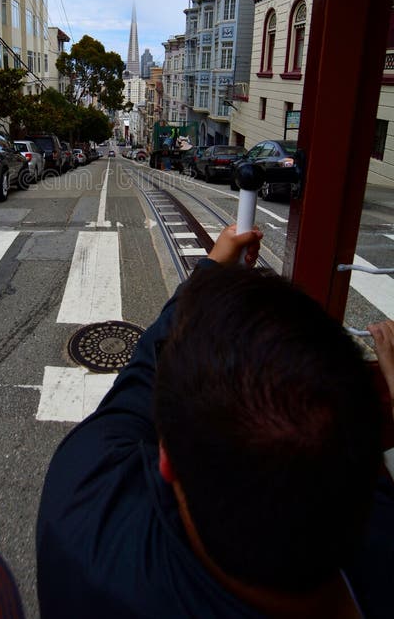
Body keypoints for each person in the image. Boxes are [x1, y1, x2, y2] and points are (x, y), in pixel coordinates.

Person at [37, 225, 394, 618]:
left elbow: (140, 378)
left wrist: (208, 271)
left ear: (166, 458)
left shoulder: (84, 504)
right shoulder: (382, 544)